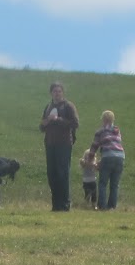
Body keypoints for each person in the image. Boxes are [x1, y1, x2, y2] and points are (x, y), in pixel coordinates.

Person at [40, 81, 80, 211]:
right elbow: (41, 126)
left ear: (63, 93)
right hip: (50, 144)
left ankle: (64, 204)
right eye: (54, 91)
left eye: (59, 91)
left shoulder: (68, 106)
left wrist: (58, 120)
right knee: (52, 174)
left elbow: (75, 123)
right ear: (51, 93)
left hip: (64, 144)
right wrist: (47, 122)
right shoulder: (47, 107)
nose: (57, 94)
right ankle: (55, 205)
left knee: (62, 173)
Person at [87, 111, 125, 211]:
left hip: (108, 156)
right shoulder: (117, 130)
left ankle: (102, 206)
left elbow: (94, 147)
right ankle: (112, 206)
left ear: (103, 120)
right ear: (113, 120)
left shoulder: (100, 132)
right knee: (114, 184)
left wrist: (90, 160)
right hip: (120, 157)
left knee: (103, 183)